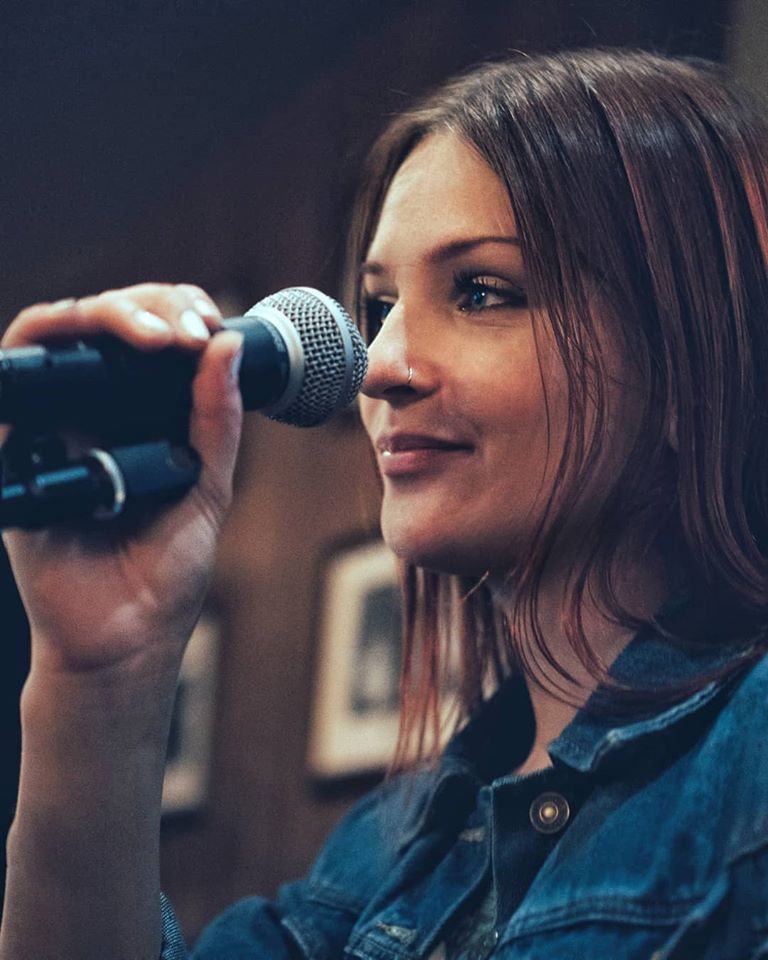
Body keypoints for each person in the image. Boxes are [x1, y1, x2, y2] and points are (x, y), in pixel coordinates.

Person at [1, 47, 767, 960]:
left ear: (692, 366)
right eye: (377, 305)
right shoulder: (380, 853)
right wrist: (100, 679)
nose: (380, 366)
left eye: (482, 291)